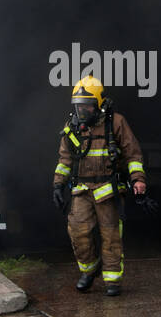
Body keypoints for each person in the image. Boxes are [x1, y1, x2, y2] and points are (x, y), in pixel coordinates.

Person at [52, 76, 148, 295]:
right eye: (78, 105)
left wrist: (138, 179)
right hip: (81, 191)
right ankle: (90, 269)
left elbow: (133, 154)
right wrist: (58, 186)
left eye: (86, 104)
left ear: (98, 103)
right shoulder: (72, 127)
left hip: (108, 190)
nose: (81, 110)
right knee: (78, 233)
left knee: (111, 235)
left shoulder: (116, 122)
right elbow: (64, 160)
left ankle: (112, 280)